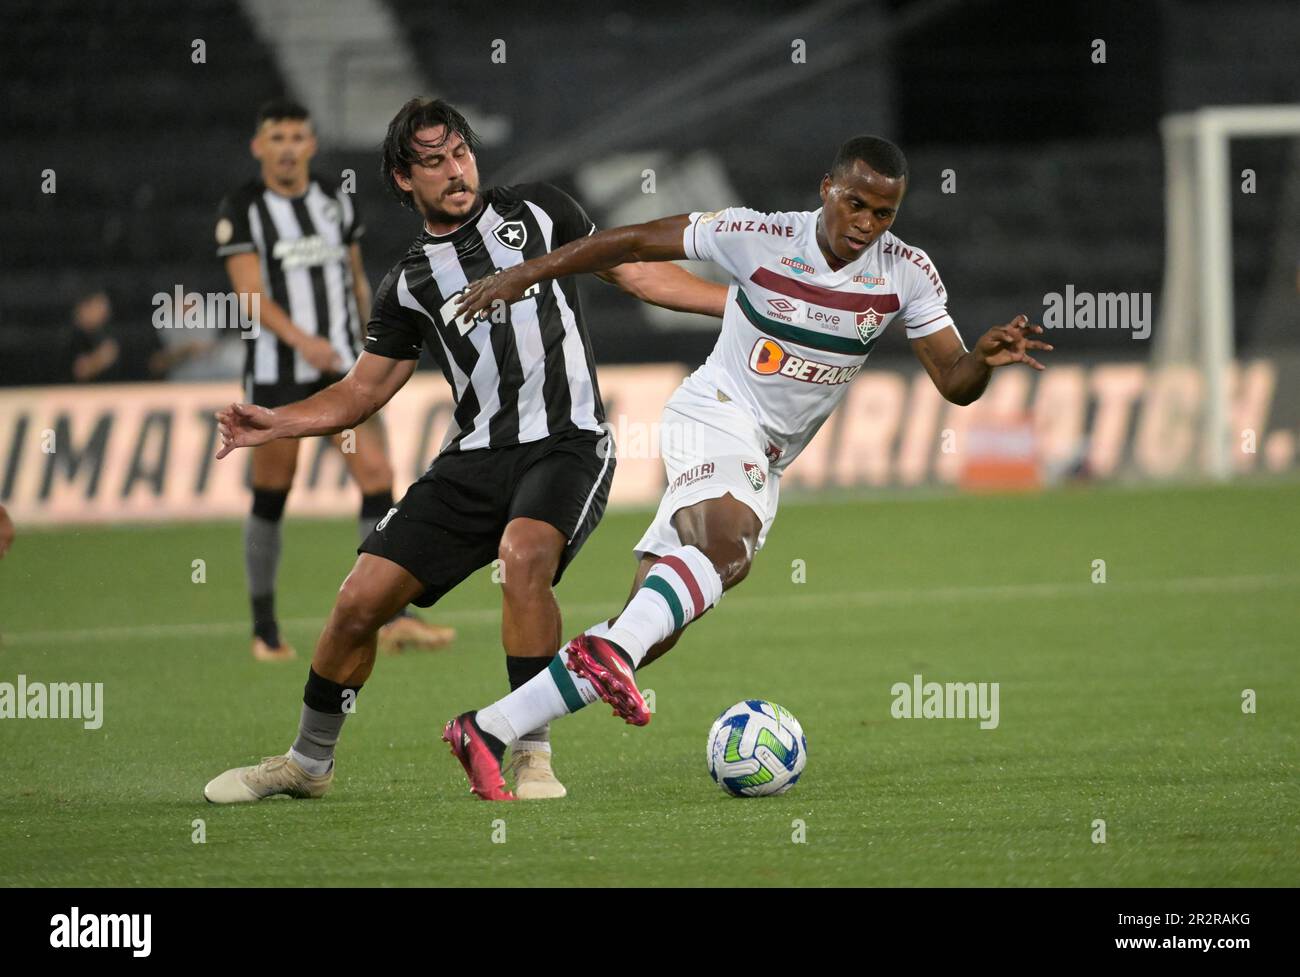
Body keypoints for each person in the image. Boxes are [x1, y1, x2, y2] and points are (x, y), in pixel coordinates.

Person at [445, 135, 1054, 800]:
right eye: (855, 203)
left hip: (763, 454)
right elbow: (631, 243)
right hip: (716, 415)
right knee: (728, 554)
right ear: (827, 187)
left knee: (651, 629)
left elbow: (953, 380)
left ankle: (487, 728)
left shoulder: (906, 272)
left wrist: (984, 360)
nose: (866, 224)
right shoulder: (756, 235)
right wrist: (525, 272)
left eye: (884, 214)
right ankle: (606, 656)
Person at [202, 97, 727, 803]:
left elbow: (634, 271)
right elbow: (362, 390)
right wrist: (280, 421)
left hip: (567, 444)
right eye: (433, 162)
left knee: (523, 556)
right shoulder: (409, 283)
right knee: (358, 602)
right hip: (473, 459)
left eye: (460, 153)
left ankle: (531, 754)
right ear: (401, 179)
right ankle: (308, 761)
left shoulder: (541, 213)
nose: (455, 171)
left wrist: (735, 305)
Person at [214, 98, 453, 662]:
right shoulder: (243, 208)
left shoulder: (333, 201)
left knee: (377, 476)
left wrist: (369, 339)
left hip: (344, 372)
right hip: (279, 375)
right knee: (273, 493)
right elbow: (250, 294)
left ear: (312, 144)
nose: (289, 148)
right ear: (259, 147)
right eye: (278, 138)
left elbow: (352, 277)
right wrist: (303, 343)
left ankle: (391, 617)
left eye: (298, 136)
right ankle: (265, 630)